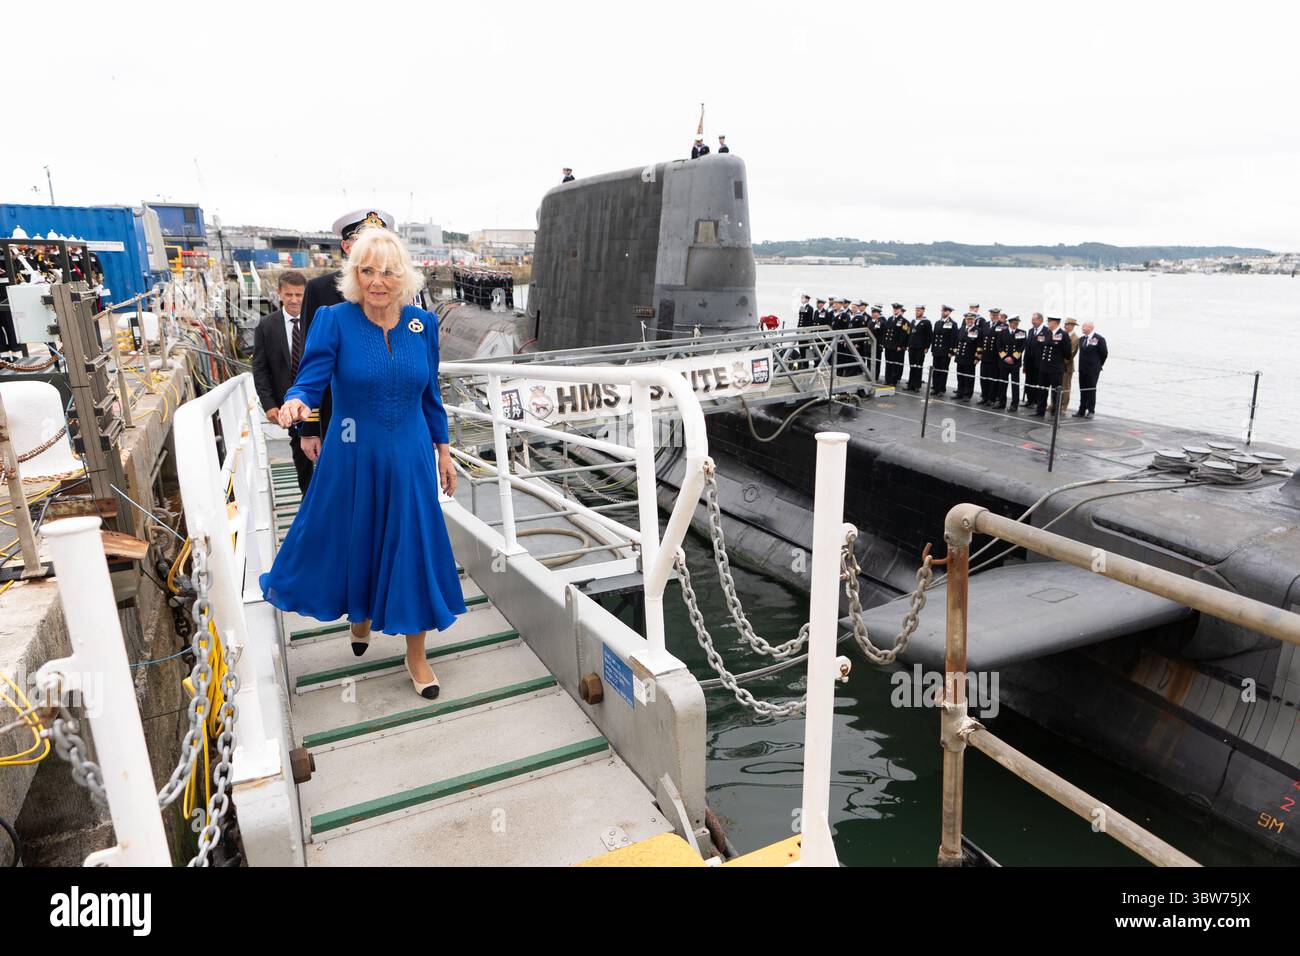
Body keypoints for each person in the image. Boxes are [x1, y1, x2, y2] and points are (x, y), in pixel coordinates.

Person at [261, 226, 466, 699]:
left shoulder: (423, 325)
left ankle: (417, 655)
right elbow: (310, 380)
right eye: (367, 271)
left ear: (405, 276)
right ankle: (360, 616)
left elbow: (431, 395)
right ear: (354, 275)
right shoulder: (334, 319)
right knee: (358, 538)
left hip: (411, 456)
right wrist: (295, 403)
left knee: (411, 547)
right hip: (353, 453)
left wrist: (443, 450)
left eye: (388, 271)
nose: (378, 280)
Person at [298, 208, 396, 467]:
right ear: (346, 247)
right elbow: (309, 362)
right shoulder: (320, 290)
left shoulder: (401, 287)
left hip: (396, 416)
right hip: (342, 417)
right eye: (363, 241)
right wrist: (310, 427)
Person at [252, 271, 315, 492]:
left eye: (299, 294)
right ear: (279, 293)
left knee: (328, 450)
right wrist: (269, 405)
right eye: (289, 294)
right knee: (301, 451)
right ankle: (308, 500)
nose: (294, 300)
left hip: (319, 400)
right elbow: (260, 368)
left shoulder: (317, 321)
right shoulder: (267, 326)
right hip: (288, 405)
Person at [1032, 316, 1068, 417]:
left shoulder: (1063, 335)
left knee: (1056, 392)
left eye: (1049, 322)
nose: (1048, 323)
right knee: (1042, 390)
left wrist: (1058, 361)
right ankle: (1040, 411)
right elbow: (1040, 347)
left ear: (1055, 323)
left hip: (1056, 368)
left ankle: (1055, 412)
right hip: (1044, 367)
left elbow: (1067, 353)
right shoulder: (1046, 333)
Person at [1074, 321, 1107, 417]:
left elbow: (1104, 354)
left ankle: (1091, 411)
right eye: (1083, 326)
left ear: (1091, 327)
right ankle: (1081, 410)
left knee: (1091, 389)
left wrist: (1097, 365)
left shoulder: (1099, 339)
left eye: (1085, 326)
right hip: (1082, 369)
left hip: (1093, 369)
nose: (1083, 328)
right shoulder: (1082, 339)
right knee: (1082, 390)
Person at [952, 312, 982, 401]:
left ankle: (967, 394)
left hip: (970, 358)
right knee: (960, 376)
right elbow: (957, 342)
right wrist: (955, 352)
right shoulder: (961, 329)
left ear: (974, 320)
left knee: (969, 377)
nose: (969, 321)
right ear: (965, 320)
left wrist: (977, 358)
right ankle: (960, 392)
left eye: (971, 319)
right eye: (967, 319)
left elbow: (979, 346)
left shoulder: (978, 330)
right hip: (960, 357)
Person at [929, 305, 958, 395]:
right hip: (937, 351)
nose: (943, 312)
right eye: (942, 311)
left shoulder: (953, 324)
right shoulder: (937, 323)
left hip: (945, 352)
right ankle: (935, 387)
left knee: (943, 370)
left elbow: (954, 339)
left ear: (949, 312)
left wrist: (952, 351)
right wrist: (933, 349)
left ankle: (941, 389)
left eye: (945, 311)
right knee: (936, 370)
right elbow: (934, 337)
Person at [978, 307, 1002, 405]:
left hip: (995, 357)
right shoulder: (985, 324)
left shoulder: (1003, 326)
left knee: (993, 379)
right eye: (992, 315)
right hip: (985, 356)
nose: (994, 316)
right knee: (983, 378)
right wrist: (979, 354)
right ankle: (984, 396)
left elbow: (1002, 343)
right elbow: (980, 340)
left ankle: (991, 398)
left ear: (999, 315)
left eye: (996, 315)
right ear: (990, 315)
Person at [905, 304, 931, 391]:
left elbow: (929, 336)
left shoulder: (927, 322)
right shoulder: (913, 321)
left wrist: (927, 347)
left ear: (923, 311)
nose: (917, 312)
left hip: (920, 348)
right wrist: (908, 345)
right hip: (912, 347)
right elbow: (910, 334)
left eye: (919, 310)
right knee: (912, 366)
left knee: (918, 366)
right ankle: (910, 384)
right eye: (916, 310)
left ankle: (917, 385)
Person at [1004, 315, 1027, 412]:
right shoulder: (1002, 332)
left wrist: (1013, 358)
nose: (1015, 325)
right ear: (1009, 323)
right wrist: (1005, 357)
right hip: (1004, 362)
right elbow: (999, 345)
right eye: (1014, 323)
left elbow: (1022, 347)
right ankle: (1001, 402)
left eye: (1017, 323)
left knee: (1015, 384)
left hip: (1015, 362)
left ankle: (1014, 404)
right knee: (1003, 383)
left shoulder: (1021, 333)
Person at [1023, 312, 1045, 410]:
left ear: (1040, 320)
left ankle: (1036, 401)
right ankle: (1029, 400)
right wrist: (1024, 363)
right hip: (1029, 362)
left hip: (1039, 363)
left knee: (1037, 383)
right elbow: (1027, 348)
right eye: (1032, 320)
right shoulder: (1031, 331)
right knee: (1028, 381)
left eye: (1034, 320)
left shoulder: (1046, 331)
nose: (1032, 322)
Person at [1058, 317, 1080, 413]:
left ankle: (1063, 407)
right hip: (1057, 365)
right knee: (1057, 386)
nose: (1065, 326)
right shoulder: (1062, 335)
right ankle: (1054, 404)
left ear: (1072, 326)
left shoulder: (1075, 339)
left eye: (1067, 324)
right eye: (1065, 324)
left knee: (1065, 387)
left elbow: (1071, 354)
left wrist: (1058, 360)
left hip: (1067, 367)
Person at [884, 303, 909, 386]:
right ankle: (887, 379)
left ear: (900, 310)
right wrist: (885, 343)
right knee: (888, 363)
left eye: (897, 309)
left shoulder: (903, 321)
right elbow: (886, 332)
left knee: (895, 364)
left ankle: (893, 381)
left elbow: (904, 335)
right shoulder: (890, 319)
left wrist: (900, 345)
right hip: (888, 345)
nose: (895, 310)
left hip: (896, 346)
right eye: (894, 309)